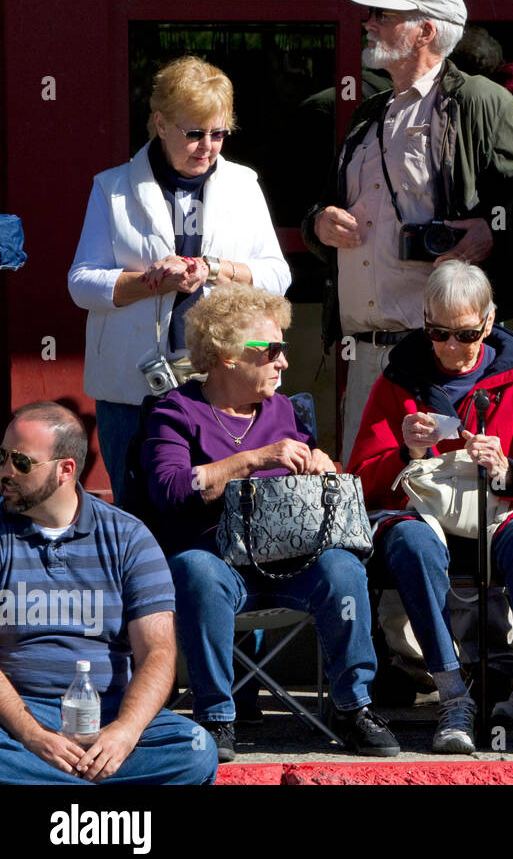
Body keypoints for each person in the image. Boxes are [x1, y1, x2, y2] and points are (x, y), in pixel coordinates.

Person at [302, 0, 513, 462]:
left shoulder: (478, 100)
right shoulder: (369, 114)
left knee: (443, 504)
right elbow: (326, 205)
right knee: (371, 497)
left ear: (426, 30)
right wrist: (319, 222)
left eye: (384, 15)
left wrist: (490, 229)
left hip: (440, 354)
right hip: (367, 350)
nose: (369, 24)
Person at [142, 284, 398, 763]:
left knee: (342, 567)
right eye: (271, 350)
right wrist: (253, 459)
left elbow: (303, 483)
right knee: (196, 571)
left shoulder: (285, 411)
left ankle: (353, 706)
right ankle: (216, 715)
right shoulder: (175, 412)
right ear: (226, 354)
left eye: (284, 348)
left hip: (290, 561)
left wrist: (322, 462)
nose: (283, 361)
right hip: (219, 565)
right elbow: (170, 490)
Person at [349, 262, 513, 755]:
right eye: (438, 333)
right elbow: (361, 487)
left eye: (466, 334)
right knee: (409, 540)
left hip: (498, 511)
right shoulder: (397, 382)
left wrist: (508, 469)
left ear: (491, 320)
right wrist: (403, 454)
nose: (452, 348)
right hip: (424, 513)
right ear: (424, 322)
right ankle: (452, 695)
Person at [68, 56, 291, 504]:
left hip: (220, 383)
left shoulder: (244, 184)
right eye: (194, 133)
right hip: (132, 385)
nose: (208, 146)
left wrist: (216, 269)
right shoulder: (111, 188)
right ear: (160, 124)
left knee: (214, 509)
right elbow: (81, 283)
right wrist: (152, 281)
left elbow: (277, 275)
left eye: (219, 133)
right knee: (136, 509)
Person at [0, 402, 218, 784]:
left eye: (20, 462)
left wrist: (124, 733)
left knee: (195, 749)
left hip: (107, 712)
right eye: (2, 457)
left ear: (66, 469)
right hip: (17, 714)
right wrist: (32, 735)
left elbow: (158, 652)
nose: (5, 472)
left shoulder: (128, 537)